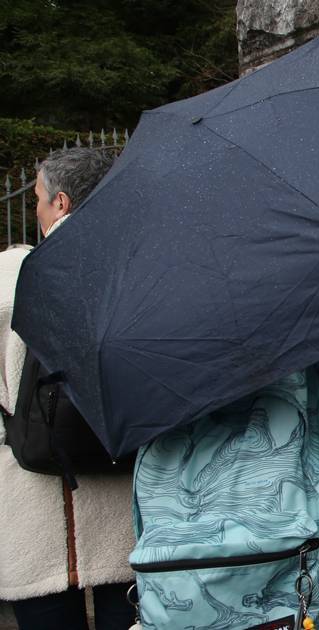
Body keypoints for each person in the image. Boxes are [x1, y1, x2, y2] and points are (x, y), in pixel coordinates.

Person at [0, 148, 137, 630]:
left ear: (61, 203)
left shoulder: (10, 281)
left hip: (33, 506)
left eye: (37, 198)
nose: (33, 209)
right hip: (124, 503)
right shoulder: (137, 273)